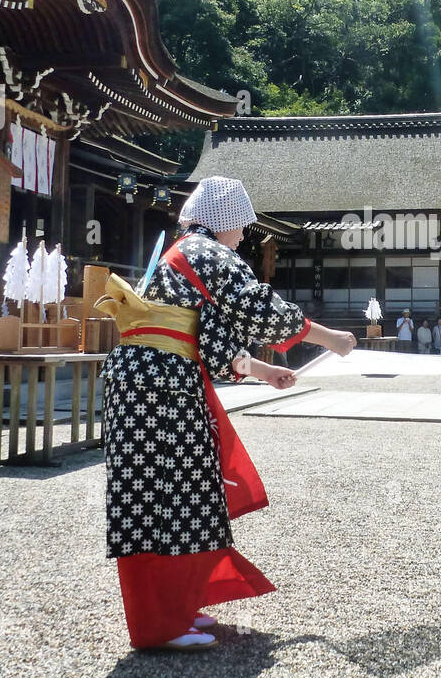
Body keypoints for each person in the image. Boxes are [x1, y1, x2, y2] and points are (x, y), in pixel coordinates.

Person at [95, 176, 356, 652]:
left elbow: (211, 341)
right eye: (241, 228)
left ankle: (173, 609)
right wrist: (328, 337)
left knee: (174, 496)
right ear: (223, 223)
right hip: (160, 390)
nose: (243, 237)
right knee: (169, 497)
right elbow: (259, 308)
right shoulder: (207, 253)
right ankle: (161, 625)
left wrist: (264, 371)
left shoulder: (182, 256)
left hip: (149, 384)